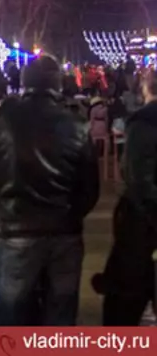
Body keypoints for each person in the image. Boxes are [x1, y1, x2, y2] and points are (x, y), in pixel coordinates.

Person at [0, 55, 99, 326]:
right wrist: (70, 216)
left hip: (17, 231)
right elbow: (90, 187)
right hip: (64, 234)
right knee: (60, 318)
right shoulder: (76, 124)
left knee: (8, 321)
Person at [95, 68, 157, 324]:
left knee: (122, 309)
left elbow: (136, 175)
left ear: (146, 88)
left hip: (143, 227)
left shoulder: (143, 123)